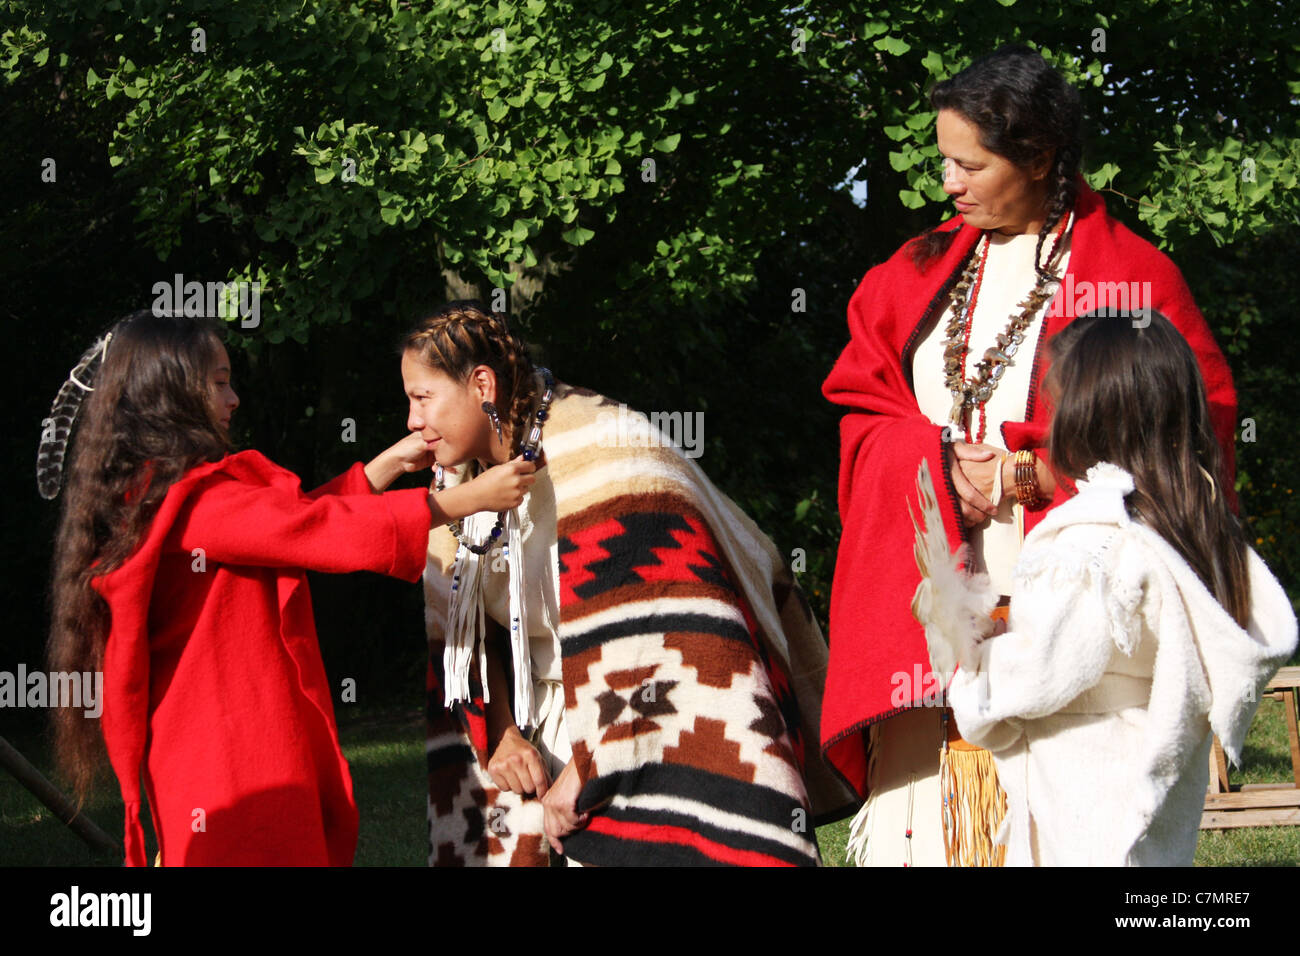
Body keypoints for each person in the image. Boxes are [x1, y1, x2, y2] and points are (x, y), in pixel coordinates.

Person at [820, 45, 1238, 866]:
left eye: (970, 164)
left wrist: (1026, 474)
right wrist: (934, 465)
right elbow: (860, 408)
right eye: (943, 160)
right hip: (928, 625)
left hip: (1065, 639)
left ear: (1040, 156)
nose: (950, 182)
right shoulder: (910, 277)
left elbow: (1189, 440)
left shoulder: (1132, 281)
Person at [42, 309, 533, 866]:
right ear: (169, 393)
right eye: (220, 382)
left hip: (218, 752)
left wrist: (390, 464)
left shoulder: (170, 497)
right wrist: (465, 500)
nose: (234, 400)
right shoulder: (196, 503)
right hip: (233, 762)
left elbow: (287, 524)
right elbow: (313, 530)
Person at [411, 301, 855, 866]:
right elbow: (462, 638)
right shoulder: (454, 491)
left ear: (482, 385)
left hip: (651, 715)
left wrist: (590, 763)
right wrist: (500, 733)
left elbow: (670, 637)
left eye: (423, 399)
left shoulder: (609, 451)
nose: (411, 421)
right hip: (536, 715)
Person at [917, 311, 1296, 865]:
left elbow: (1040, 673)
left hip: (1084, 797)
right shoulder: (1188, 526)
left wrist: (975, 662)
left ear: (1085, 419)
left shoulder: (1089, 546)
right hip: (1152, 787)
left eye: (1057, 406)